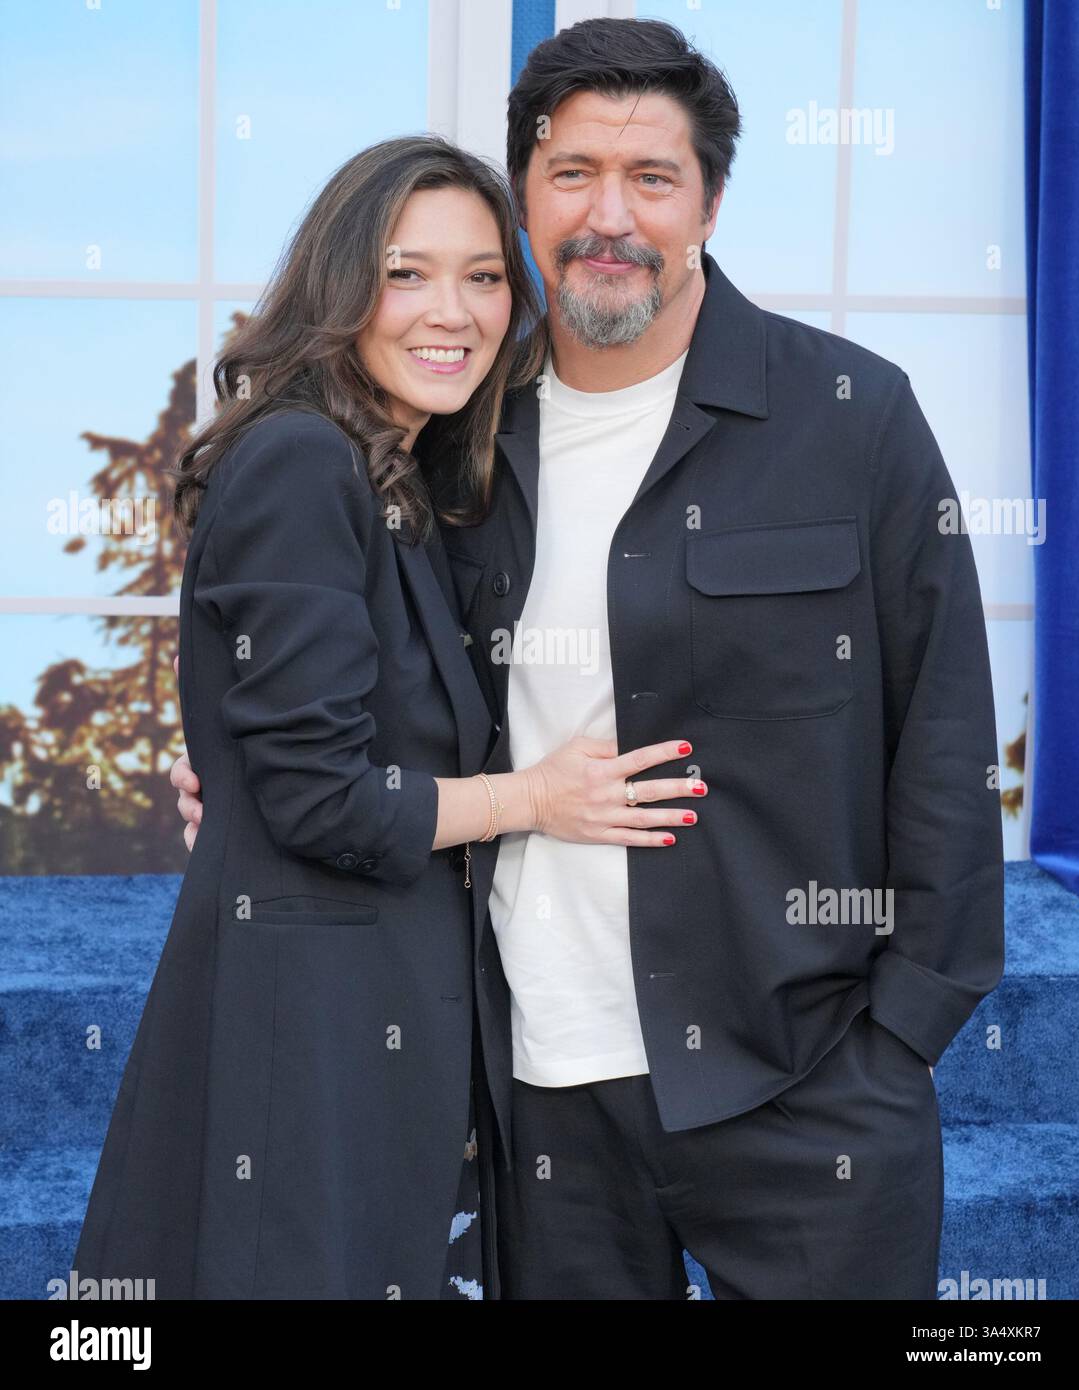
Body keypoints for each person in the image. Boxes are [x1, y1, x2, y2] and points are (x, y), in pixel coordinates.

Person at [176, 17, 1005, 1300]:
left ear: (710, 204)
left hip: (802, 1077)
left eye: (650, 179)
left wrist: (899, 1039)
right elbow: (348, 685)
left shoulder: (852, 417)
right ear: (525, 198)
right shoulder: (456, 434)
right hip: (534, 1086)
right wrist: (238, 776)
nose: (606, 215)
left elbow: (943, 735)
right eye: (570, 176)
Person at [74, 133, 701, 1301]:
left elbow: (303, 746)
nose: (450, 310)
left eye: (481, 275)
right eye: (406, 272)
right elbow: (321, 795)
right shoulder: (305, 459)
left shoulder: (392, 477)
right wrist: (538, 799)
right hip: (310, 1018)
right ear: (338, 284)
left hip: (363, 1004)